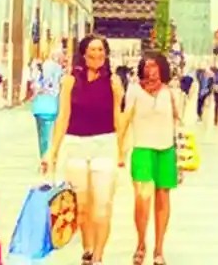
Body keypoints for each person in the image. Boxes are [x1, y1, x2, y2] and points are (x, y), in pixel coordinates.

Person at [43, 35, 125, 265]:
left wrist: (121, 149)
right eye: (92, 49)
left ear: (106, 54)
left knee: (102, 205)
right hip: (75, 145)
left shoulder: (113, 81)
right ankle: (88, 250)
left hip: (104, 144)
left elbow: (119, 117)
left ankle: (98, 256)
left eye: (101, 50)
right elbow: (62, 118)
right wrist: (52, 151)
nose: (97, 54)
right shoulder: (70, 81)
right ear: (83, 53)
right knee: (82, 206)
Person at [119, 52, 180, 265]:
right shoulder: (134, 90)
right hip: (142, 148)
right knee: (142, 198)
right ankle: (141, 242)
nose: (150, 70)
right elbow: (125, 119)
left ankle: (159, 248)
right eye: (147, 65)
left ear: (162, 68)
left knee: (163, 197)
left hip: (166, 150)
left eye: (155, 66)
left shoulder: (171, 92)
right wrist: (120, 149)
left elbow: (180, 120)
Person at [26, 51, 64, 159]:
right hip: (52, 106)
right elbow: (59, 87)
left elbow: (33, 86)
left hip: (39, 106)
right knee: (50, 136)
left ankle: (43, 157)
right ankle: (48, 158)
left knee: (42, 136)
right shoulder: (58, 69)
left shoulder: (37, 68)